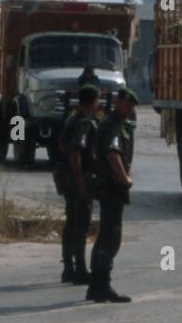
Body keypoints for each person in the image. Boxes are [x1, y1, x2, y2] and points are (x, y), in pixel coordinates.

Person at [86, 88, 138, 304]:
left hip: (109, 188)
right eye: (127, 105)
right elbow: (112, 153)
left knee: (104, 236)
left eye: (131, 106)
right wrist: (124, 178)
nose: (129, 109)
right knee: (111, 238)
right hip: (112, 188)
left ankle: (95, 286)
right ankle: (102, 286)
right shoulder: (112, 126)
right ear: (118, 103)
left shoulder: (112, 124)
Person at [59, 85, 101, 285]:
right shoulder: (84, 123)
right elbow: (76, 152)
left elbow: (63, 145)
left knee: (71, 224)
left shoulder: (71, 119)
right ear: (93, 101)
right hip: (78, 179)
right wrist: (81, 183)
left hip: (67, 178)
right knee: (80, 226)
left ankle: (68, 267)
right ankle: (80, 269)